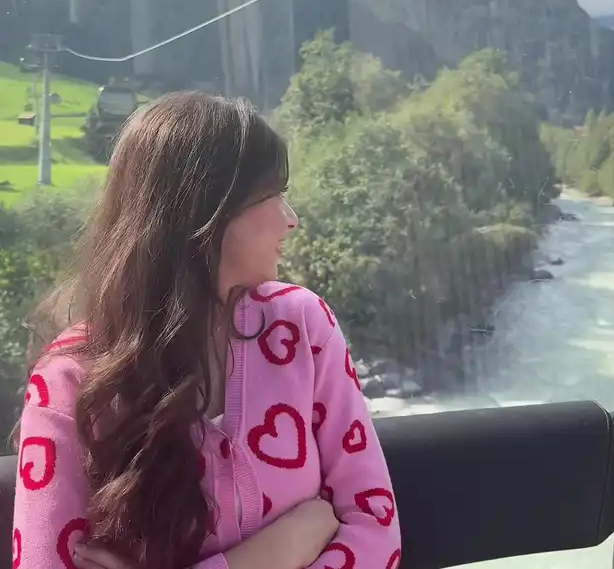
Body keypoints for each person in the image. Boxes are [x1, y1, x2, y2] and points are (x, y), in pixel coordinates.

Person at [12, 92, 402, 569]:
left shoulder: (304, 326)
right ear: (206, 212)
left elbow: (375, 528)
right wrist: (277, 551)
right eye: (271, 195)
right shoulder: (71, 379)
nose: (292, 219)